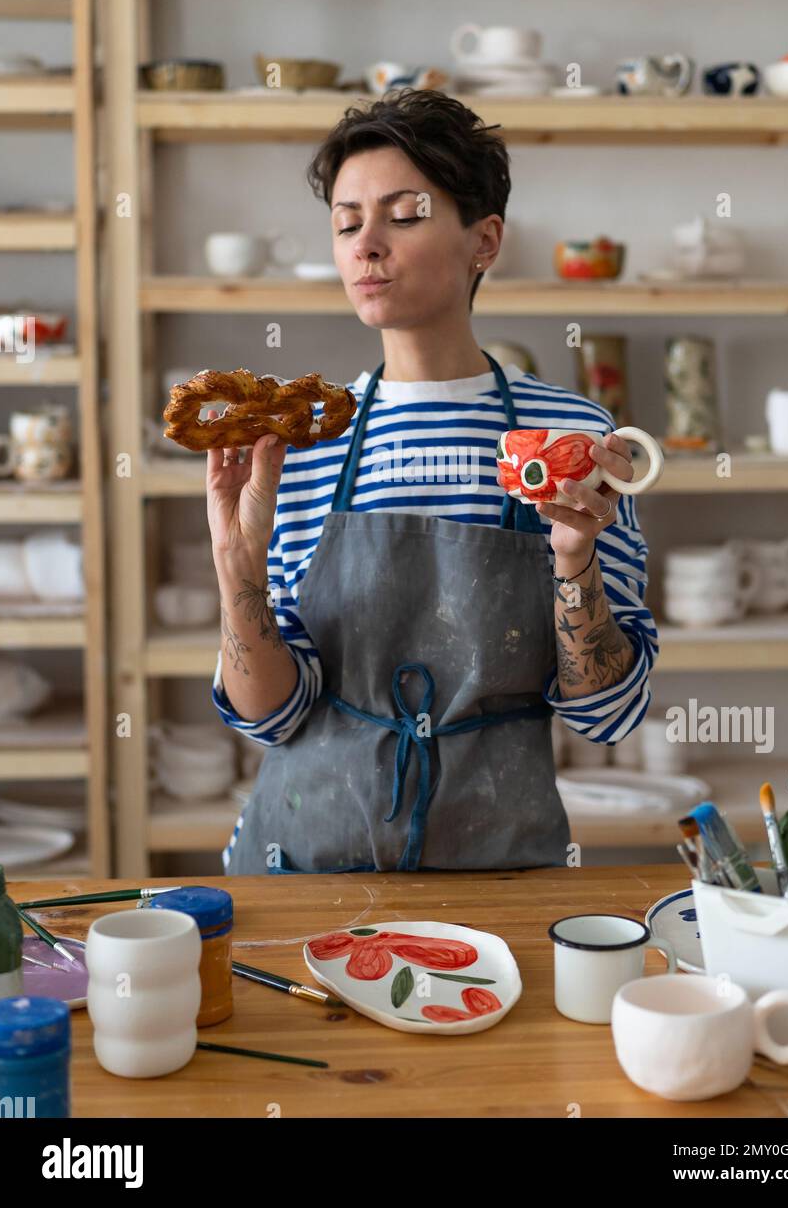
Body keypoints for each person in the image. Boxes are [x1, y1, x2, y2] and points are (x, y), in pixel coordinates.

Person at [206, 88, 658, 875]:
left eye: (404, 213)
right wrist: (236, 574)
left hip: (500, 874)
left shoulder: (570, 439)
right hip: (308, 870)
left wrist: (576, 559)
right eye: (347, 222)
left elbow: (608, 714)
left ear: (484, 241)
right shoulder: (306, 440)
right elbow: (271, 719)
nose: (365, 244)